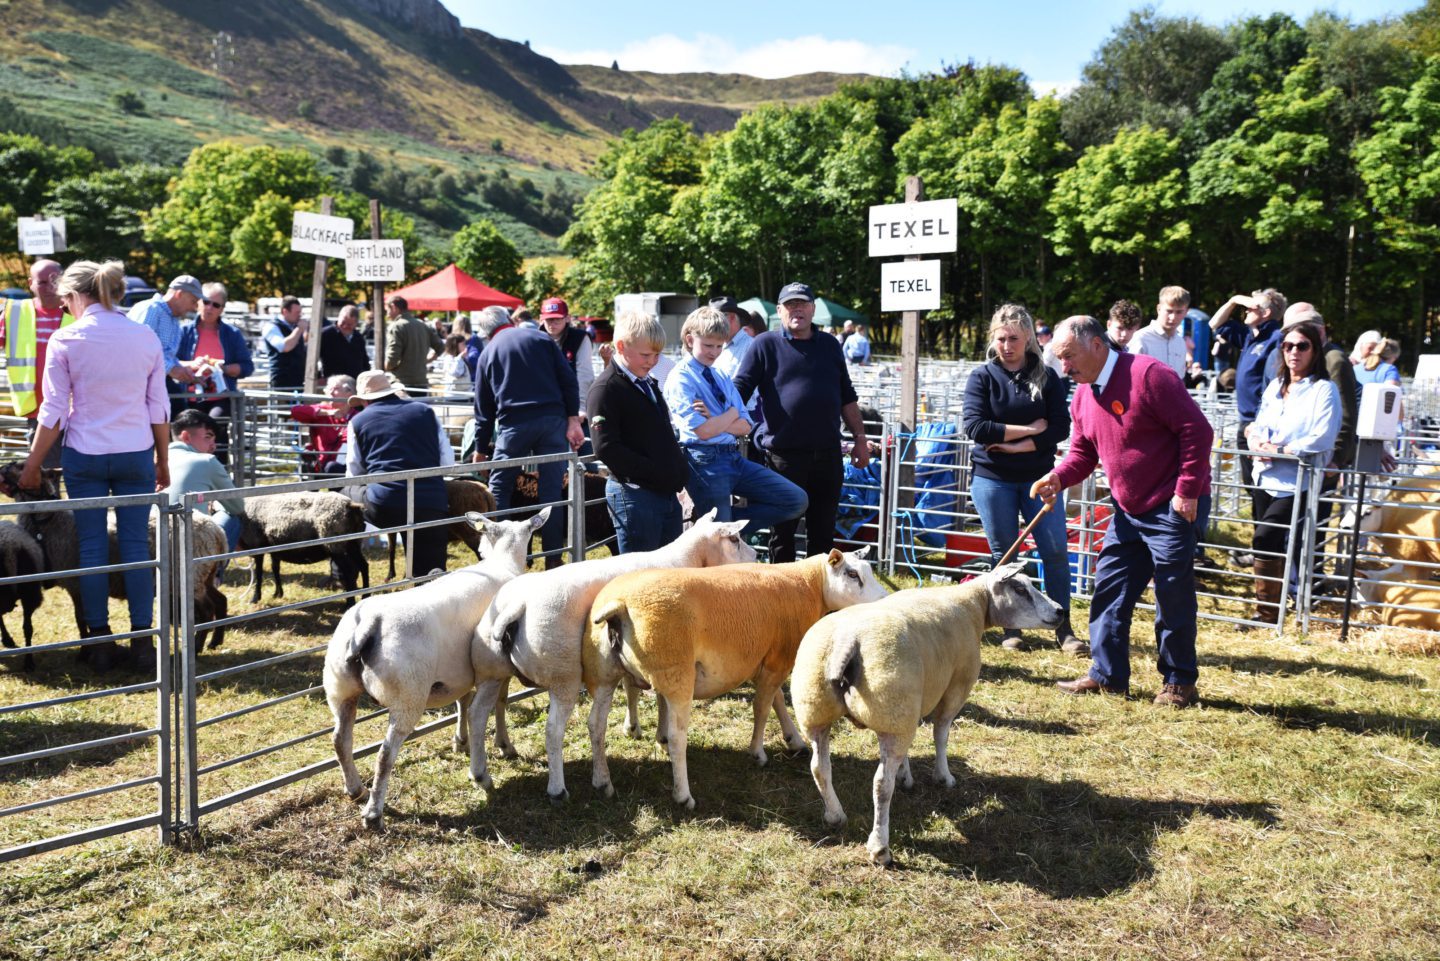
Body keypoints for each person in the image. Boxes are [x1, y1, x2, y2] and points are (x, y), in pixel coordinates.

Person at [1030, 315, 1213, 709]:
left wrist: (1187, 490)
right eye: (1059, 359)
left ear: (1097, 345)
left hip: (1170, 504)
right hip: (1128, 508)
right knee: (1109, 587)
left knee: (1171, 593)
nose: (1064, 367)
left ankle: (1180, 681)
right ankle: (1107, 674)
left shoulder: (1149, 375)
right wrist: (1058, 478)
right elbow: (1082, 452)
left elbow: (1197, 430)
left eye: (1069, 356)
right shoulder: (1082, 394)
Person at [21, 260, 170, 670]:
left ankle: (100, 642)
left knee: (91, 549)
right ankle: (143, 641)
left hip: (84, 453)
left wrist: (32, 466)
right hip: (135, 450)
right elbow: (158, 406)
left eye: (65, 300)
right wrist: (164, 460)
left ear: (73, 296)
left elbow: (53, 411)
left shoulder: (66, 339)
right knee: (138, 547)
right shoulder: (144, 337)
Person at [962, 304, 1077, 652]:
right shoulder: (982, 377)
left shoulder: (1048, 378)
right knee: (1004, 556)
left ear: (1028, 337)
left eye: (1014, 338)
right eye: (1001, 338)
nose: (1007, 345)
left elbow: (1060, 426)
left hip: (1039, 478)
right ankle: (1011, 627)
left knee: (1055, 551)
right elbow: (976, 427)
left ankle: (1064, 627)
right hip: (991, 478)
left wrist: (1014, 445)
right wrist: (1029, 431)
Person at [733, 282, 870, 563]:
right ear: (780, 311)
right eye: (790, 305)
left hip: (829, 455)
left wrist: (860, 439)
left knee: (823, 532)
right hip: (784, 457)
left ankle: (818, 597)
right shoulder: (765, 345)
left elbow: (847, 395)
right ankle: (780, 599)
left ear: (813, 309)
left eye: (803, 304)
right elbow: (739, 390)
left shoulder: (831, 345)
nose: (797, 309)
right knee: (782, 533)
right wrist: (744, 426)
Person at [663, 306, 806, 539]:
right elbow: (704, 431)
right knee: (720, 539)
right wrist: (730, 414)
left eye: (719, 346)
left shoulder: (719, 374)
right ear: (690, 340)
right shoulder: (681, 378)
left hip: (732, 456)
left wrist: (717, 417)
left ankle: (725, 530)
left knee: (795, 500)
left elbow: (746, 425)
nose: (714, 352)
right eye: (708, 345)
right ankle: (720, 533)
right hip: (703, 460)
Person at [1244, 321, 1341, 623]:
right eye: (1288, 346)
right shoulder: (1275, 386)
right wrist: (1256, 439)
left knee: (1265, 537)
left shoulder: (1324, 390)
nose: (1293, 352)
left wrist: (1284, 450)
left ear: (1315, 351)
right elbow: (1259, 422)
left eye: (1302, 346)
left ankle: (1269, 610)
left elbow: (1322, 437)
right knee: (1265, 540)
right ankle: (1270, 610)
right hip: (1265, 474)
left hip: (1297, 479)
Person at [473, 305, 584, 566]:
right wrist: (572, 420)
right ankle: (553, 561)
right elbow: (569, 381)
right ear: (510, 320)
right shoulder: (542, 338)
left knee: (499, 488)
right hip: (552, 423)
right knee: (552, 493)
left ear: (486, 333)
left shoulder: (488, 353)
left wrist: (480, 448)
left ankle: (498, 558)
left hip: (514, 427)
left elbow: (484, 410)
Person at [589, 311, 690, 552]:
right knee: (641, 577)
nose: (652, 361)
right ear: (621, 346)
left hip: (662, 492)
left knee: (668, 573)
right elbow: (605, 447)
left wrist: (675, 472)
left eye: (657, 354)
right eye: (646, 354)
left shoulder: (648, 383)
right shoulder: (605, 389)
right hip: (635, 494)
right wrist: (656, 472)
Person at [345, 370, 454, 576]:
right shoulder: (425, 411)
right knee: (431, 575)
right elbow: (448, 462)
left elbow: (354, 471)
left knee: (342, 494)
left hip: (385, 505)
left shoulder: (358, 421)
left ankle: (344, 571)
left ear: (365, 400)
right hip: (430, 502)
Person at [1210, 287, 1286, 537]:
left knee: (1263, 486)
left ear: (1265, 312)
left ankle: (1268, 542)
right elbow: (1215, 323)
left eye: (1250, 306)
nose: (1245, 310)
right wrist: (1233, 299)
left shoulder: (1275, 337)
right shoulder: (1250, 336)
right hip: (1246, 423)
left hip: (1261, 424)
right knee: (1251, 484)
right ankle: (1261, 542)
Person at [2, 259, 76, 464]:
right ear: (30, 283)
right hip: (38, 411)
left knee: (77, 476)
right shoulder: (13, 313)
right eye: (42, 282)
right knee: (46, 474)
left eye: (54, 281)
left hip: (77, 409)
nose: (50, 288)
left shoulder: (79, 312)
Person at [176, 282, 254, 464]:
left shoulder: (232, 334)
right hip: (190, 396)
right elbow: (170, 361)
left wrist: (224, 368)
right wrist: (194, 364)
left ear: (222, 309)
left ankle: (219, 479)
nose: (209, 307)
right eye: (206, 301)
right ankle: (191, 477)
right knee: (189, 434)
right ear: (198, 302)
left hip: (221, 396)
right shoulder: (184, 331)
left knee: (214, 427)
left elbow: (247, 366)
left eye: (216, 305)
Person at [165, 408, 245, 553]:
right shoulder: (206, 461)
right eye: (208, 437)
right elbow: (237, 506)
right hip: (192, 542)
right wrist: (217, 505)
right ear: (186, 437)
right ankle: (214, 573)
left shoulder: (158, 459)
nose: (213, 445)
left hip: (156, 539)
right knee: (231, 517)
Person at [128, 274, 202, 388]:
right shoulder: (151, 309)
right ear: (179, 294)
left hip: (154, 382)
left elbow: (167, 356)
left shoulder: (174, 318)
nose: (194, 307)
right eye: (193, 301)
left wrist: (185, 372)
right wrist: (172, 369)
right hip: (138, 383)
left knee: (179, 402)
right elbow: (138, 349)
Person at [291, 374, 356, 473]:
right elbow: (296, 411)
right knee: (328, 467)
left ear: (349, 393)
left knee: (334, 467)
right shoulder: (323, 410)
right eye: (328, 388)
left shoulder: (356, 415)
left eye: (335, 388)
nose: (330, 392)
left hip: (347, 464)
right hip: (323, 464)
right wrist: (326, 413)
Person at [382, 295, 443, 391]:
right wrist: (427, 360)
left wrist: (382, 368)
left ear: (394, 307)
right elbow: (440, 347)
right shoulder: (422, 325)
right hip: (421, 381)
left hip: (402, 383)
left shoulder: (397, 326)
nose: (387, 314)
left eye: (387, 310)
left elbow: (392, 358)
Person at [1132, 285, 1190, 379]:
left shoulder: (1180, 343)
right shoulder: (1141, 338)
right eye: (1169, 311)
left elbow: (1180, 379)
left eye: (1179, 312)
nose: (1173, 317)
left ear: (1186, 312)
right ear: (1159, 309)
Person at [261, 296, 307, 392]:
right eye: (296, 313)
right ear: (285, 311)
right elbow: (284, 347)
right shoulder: (271, 327)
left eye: (300, 312)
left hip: (299, 380)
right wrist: (299, 329)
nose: (300, 315)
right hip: (281, 381)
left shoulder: (295, 326)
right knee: (281, 407)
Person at [319, 304, 369, 381]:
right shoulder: (325, 334)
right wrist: (319, 377)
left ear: (356, 324)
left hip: (354, 382)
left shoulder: (358, 337)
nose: (345, 326)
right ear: (338, 318)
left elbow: (364, 361)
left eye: (349, 324)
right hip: (332, 382)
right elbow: (312, 358)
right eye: (343, 322)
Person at [712, 295, 754, 381]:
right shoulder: (718, 345)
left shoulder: (751, 347)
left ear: (731, 317)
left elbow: (753, 390)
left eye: (715, 319)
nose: (710, 324)